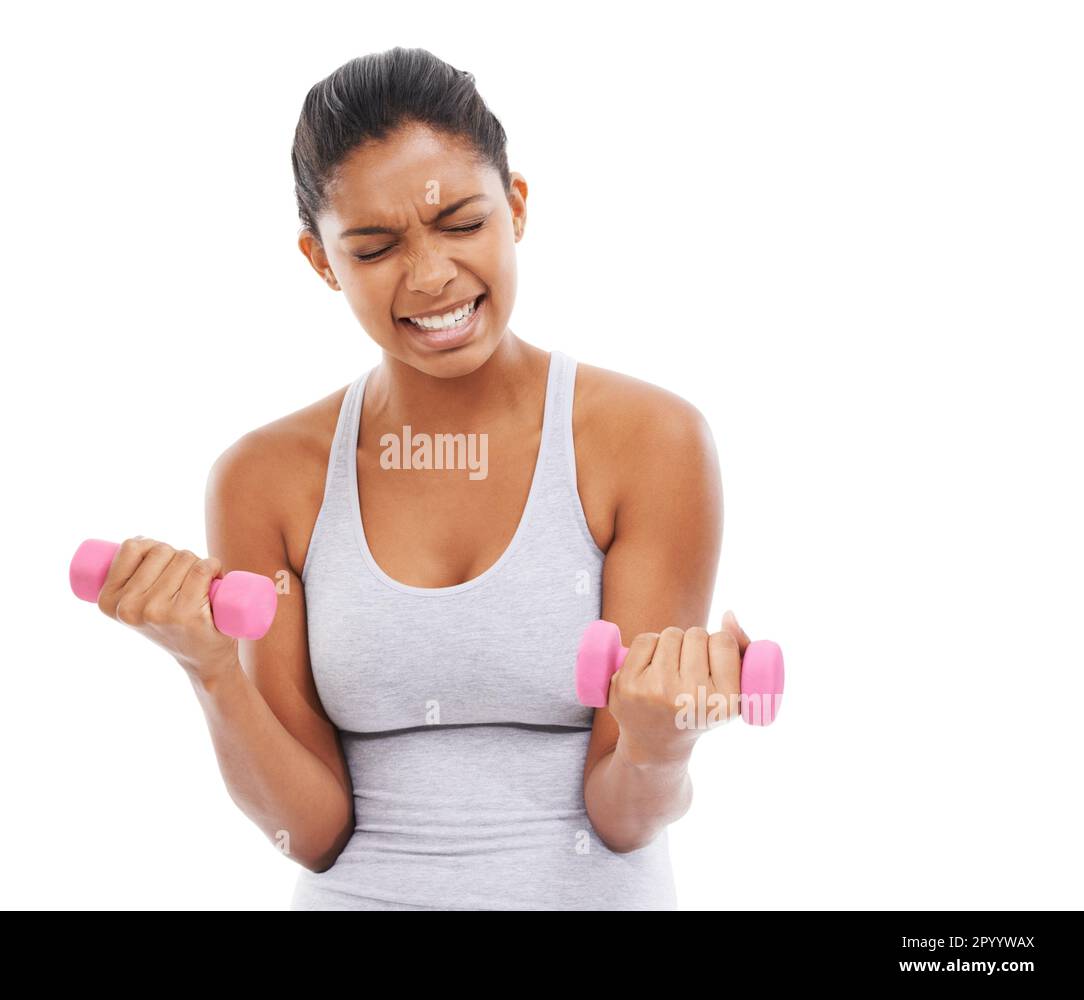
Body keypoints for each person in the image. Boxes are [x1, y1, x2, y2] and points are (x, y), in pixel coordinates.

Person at [99, 46, 752, 910]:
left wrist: (660, 744)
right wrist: (210, 669)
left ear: (516, 207)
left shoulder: (650, 442)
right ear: (321, 262)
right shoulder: (264, 480)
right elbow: (315, 830)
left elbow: (624, 816)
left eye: (461, 224)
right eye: (374, 248)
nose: (432, 276)